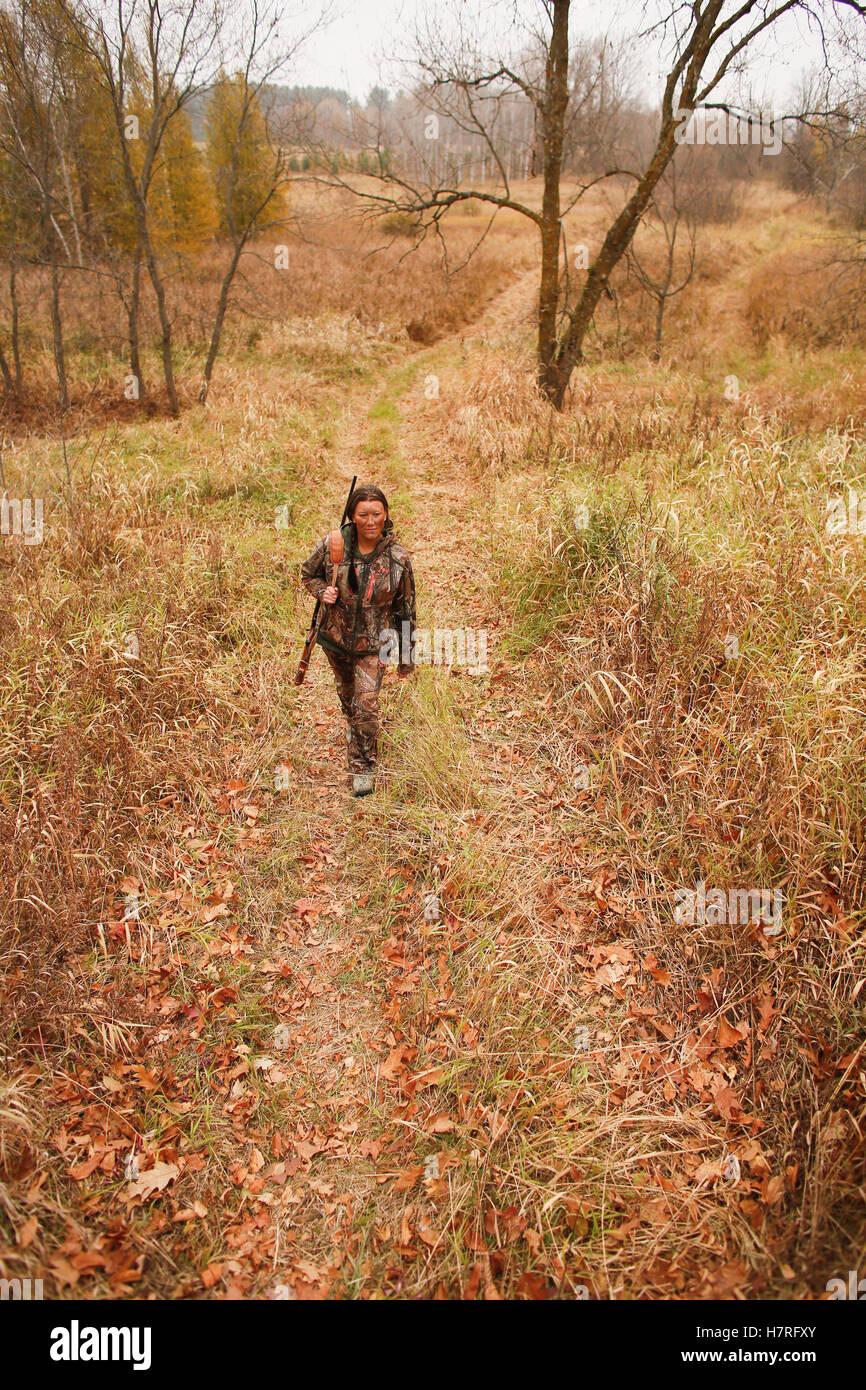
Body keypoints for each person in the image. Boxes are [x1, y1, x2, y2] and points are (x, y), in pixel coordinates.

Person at [300, 483, 416, 796]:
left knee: (366, 705)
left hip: (375, 644)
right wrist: (322, 591)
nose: (370, 521)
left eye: (376, 513)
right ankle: (356, 733)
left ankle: (363, 766)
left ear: (386, 514)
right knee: (349, 700)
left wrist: (406, 657)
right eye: (363, 514)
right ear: (352, 515)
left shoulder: (397, 557)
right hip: (335, 639)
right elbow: (308, 574)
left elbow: (406, 608)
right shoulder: (333, 544)